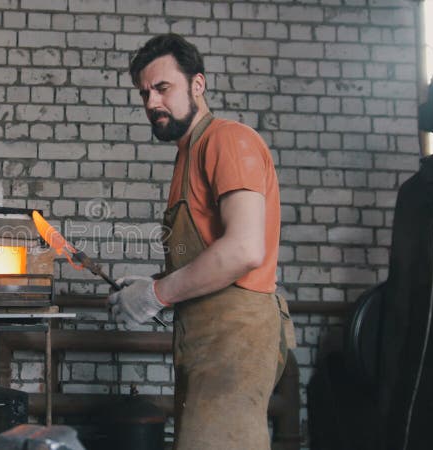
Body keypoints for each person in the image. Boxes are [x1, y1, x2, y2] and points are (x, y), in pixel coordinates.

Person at [107, 33, 294, 450]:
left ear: (197, 85)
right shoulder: (187, 155)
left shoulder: (227, 140)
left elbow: (244, 249)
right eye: (144, 93)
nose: (151, 102)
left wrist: (156, 294)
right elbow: (210, 248)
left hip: (235, 336)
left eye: (162, 88)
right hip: (203, 338)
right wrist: (150, 283)